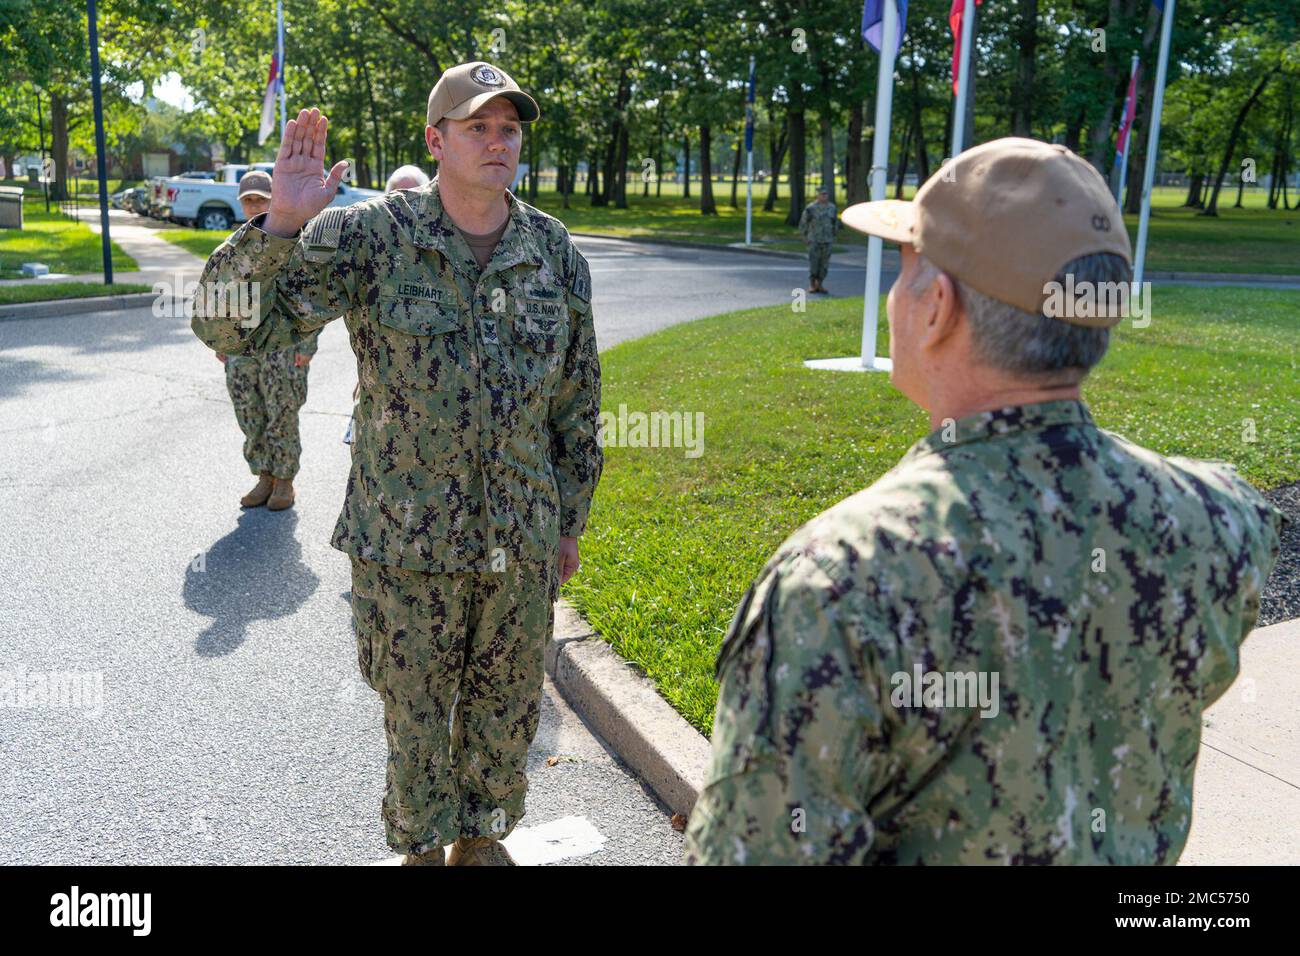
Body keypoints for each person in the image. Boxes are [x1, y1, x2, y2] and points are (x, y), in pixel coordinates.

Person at [683, 137, 1284, 865]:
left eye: (905, 272)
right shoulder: (1223, 517)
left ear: (936, 306)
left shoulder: (840, 581)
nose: (891, 297)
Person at [190, 61, 602, 866]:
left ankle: (482, 841)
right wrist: (278, 227)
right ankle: (420, 848)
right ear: (435, 140)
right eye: (477, 126)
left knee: (506, 711)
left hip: (517, 543)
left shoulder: (553, 249)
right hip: (405, 546)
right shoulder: (371, 235)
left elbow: (577, 403)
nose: (496, 142)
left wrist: (569, 522)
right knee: (414, 717)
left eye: (508, 128)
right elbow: (230, 330)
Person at [214, 170, 319, 511]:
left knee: (282, 411)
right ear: (241, 204)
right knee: (249, 410)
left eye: (261, 198)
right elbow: (218, 292)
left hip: (283, 344)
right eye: (249, 200)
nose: (255, 204)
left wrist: (306, 345)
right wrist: (219, 339)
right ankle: (264, 475)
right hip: (242, 345)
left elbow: (312, 297)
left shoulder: (294, 240)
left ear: (274, 199)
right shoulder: (236, 243)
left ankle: (285, 480)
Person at [798, 188, 837, 294]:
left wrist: (834, 235)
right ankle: (812, 284)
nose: (824, 196)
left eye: (826, 194)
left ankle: (820, 284)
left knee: (824, 265)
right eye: (822, 194)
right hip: (814, 240)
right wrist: (804, 238)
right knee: (814, 263)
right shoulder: (811, 208)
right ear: (818, 195)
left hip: (827, 240)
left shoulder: (832, 208)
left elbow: (834, 223)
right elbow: (803, 223)